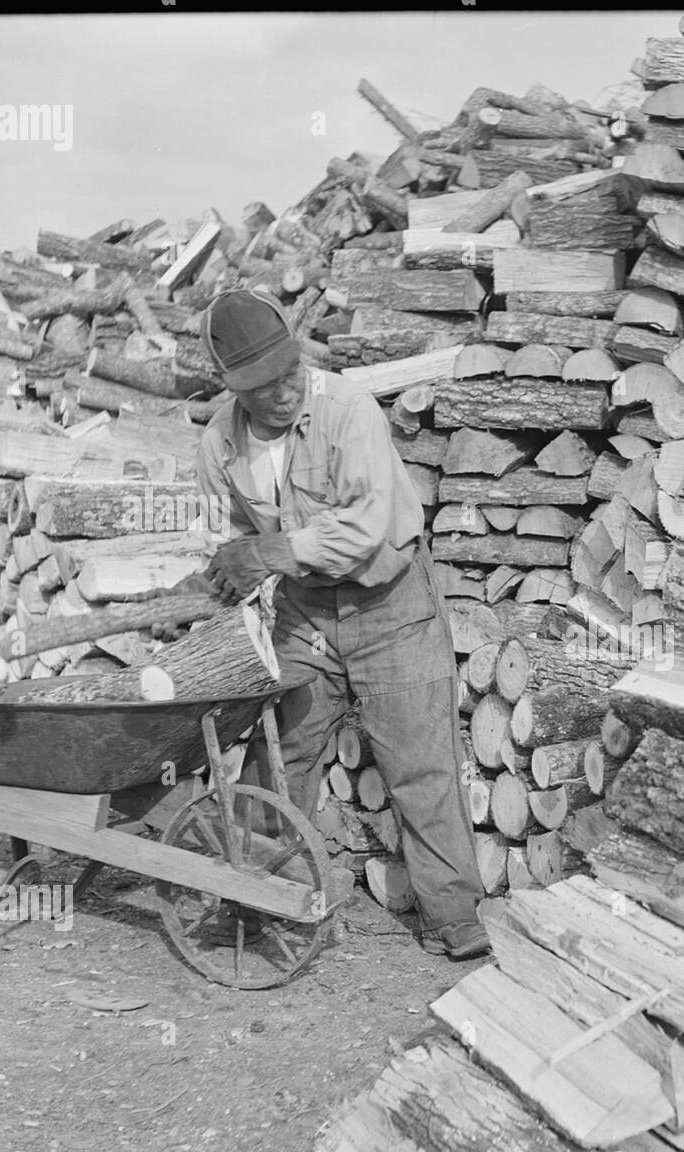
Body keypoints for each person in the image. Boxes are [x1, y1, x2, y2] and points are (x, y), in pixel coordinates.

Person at [182, 286, 488, 960]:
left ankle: (456, 916)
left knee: (419, 763)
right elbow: (227, 539)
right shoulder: (219, 445)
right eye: (264, 385)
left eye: (290, 371)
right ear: (233, 387)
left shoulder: (348, 409)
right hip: (304, 612)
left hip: (390, 604)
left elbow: (363, 529)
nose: (284, 391)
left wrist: (267, 552)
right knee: (277, 758)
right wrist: (224, 572)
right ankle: (259, 898)